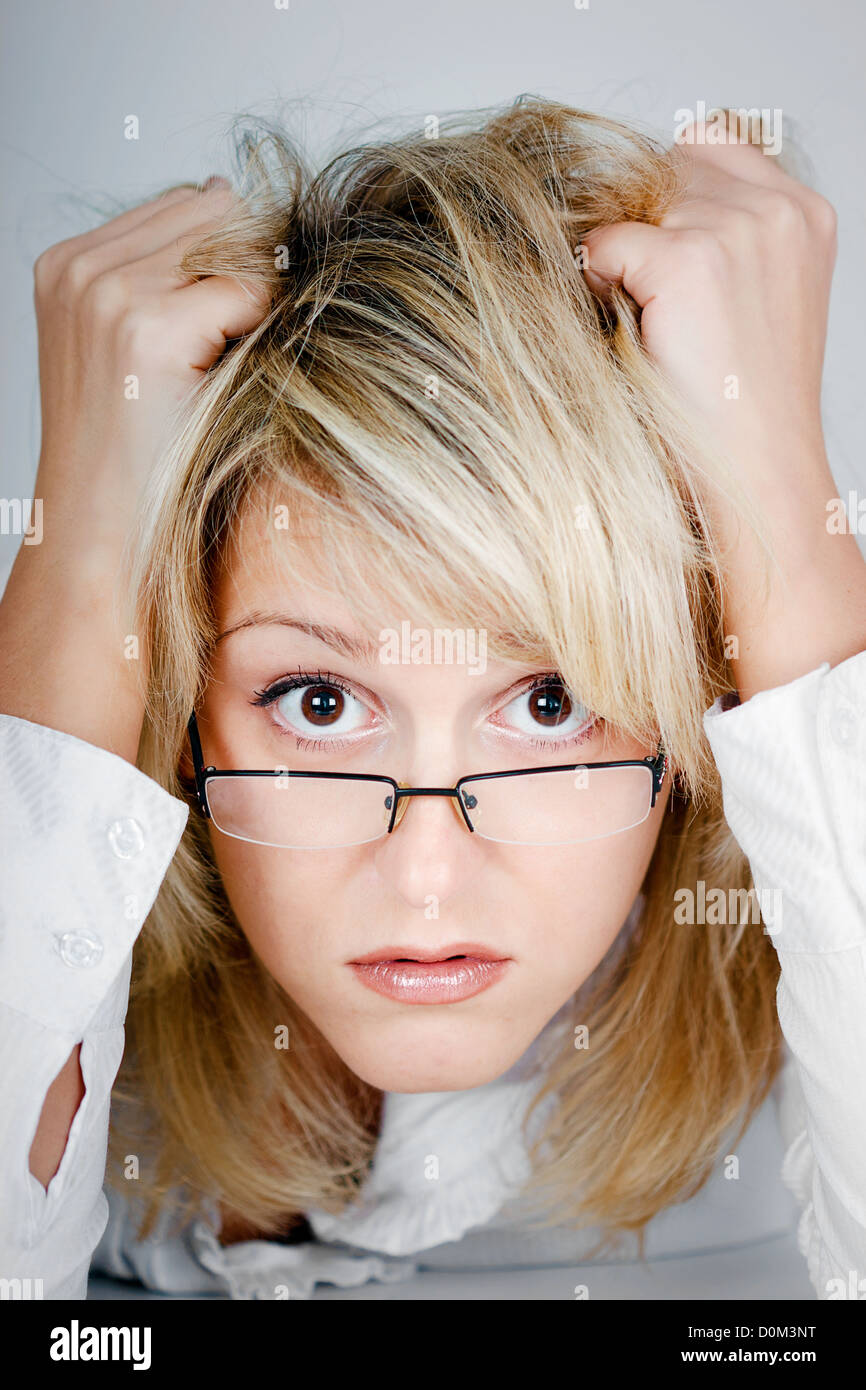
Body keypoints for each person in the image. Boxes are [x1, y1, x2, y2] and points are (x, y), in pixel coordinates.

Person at [1, 97, 864, 1301]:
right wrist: (83, 563)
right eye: (315, 702)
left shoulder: (802, 1000)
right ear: (182, 698)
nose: (423, 878)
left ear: (686, 703)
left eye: (552, 702)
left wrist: (789, 524)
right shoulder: (54, 930)